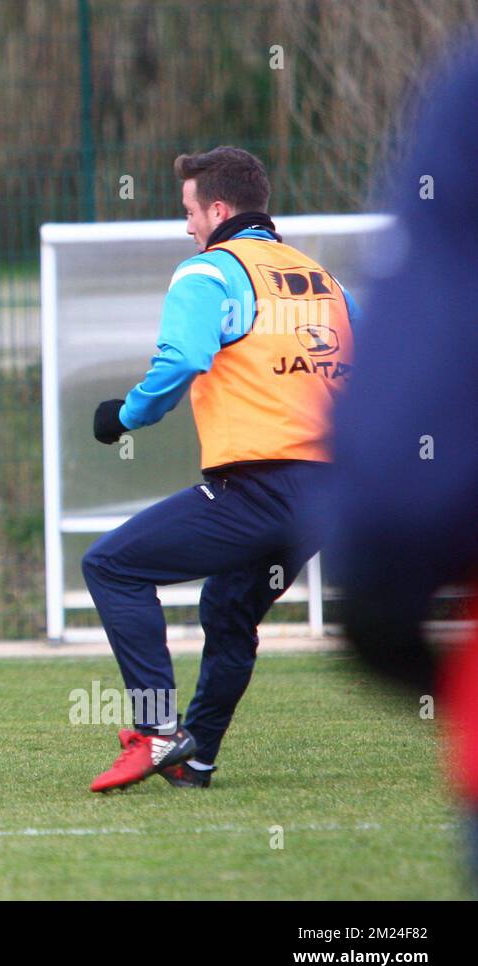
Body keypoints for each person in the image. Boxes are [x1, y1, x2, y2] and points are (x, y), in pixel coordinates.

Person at [82, 146, 359, 792]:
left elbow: (182, 359)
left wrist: (123, 416)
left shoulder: (209, 272)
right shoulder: (325, 281)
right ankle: (194, 759)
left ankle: (157, 729)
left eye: (188, 211)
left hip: (260, 487)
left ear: (218, 208)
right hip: (326, 496)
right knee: (229, 612)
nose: (186, 226)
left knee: (112, 565)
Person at [329, 48, 478, 891]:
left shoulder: (465, 107)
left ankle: (171, 736)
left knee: (118, 566)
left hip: (259, 486)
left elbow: (398, 487)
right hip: (286, 484)